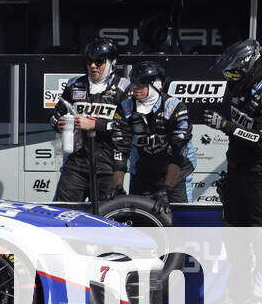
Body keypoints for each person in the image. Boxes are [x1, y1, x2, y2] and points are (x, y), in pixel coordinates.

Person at [204, 38, 262, 304]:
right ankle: (238, 296)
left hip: (259, 173)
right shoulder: (236, 85)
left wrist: (227, 126)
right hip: (237, 169)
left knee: (258, 237)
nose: (230, 77)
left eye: (234, 72)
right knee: (235, 236)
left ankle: (258, 295)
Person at [50, 38, 130, 202]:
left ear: (111, 63)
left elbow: (129, 127)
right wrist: (58, 123)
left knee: (105, 219)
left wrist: (95, 124)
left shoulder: (124, 88)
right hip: (75, 165)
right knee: (63, 212)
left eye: (99, 61)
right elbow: (54, 115)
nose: (93, 66)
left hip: (108, 167)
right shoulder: (74, 84)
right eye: (89, 61)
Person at [118, 60, 193, 210]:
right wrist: (118, 185)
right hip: (143, 171)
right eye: (133, 83)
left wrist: (166, 190)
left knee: (179, 220)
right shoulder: (126, 106)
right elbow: (119, 147)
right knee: (139, 220)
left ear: (155, 84)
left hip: (176, 173)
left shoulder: (174, 106)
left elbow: (178, 152)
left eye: (140, 83)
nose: (134, 87)